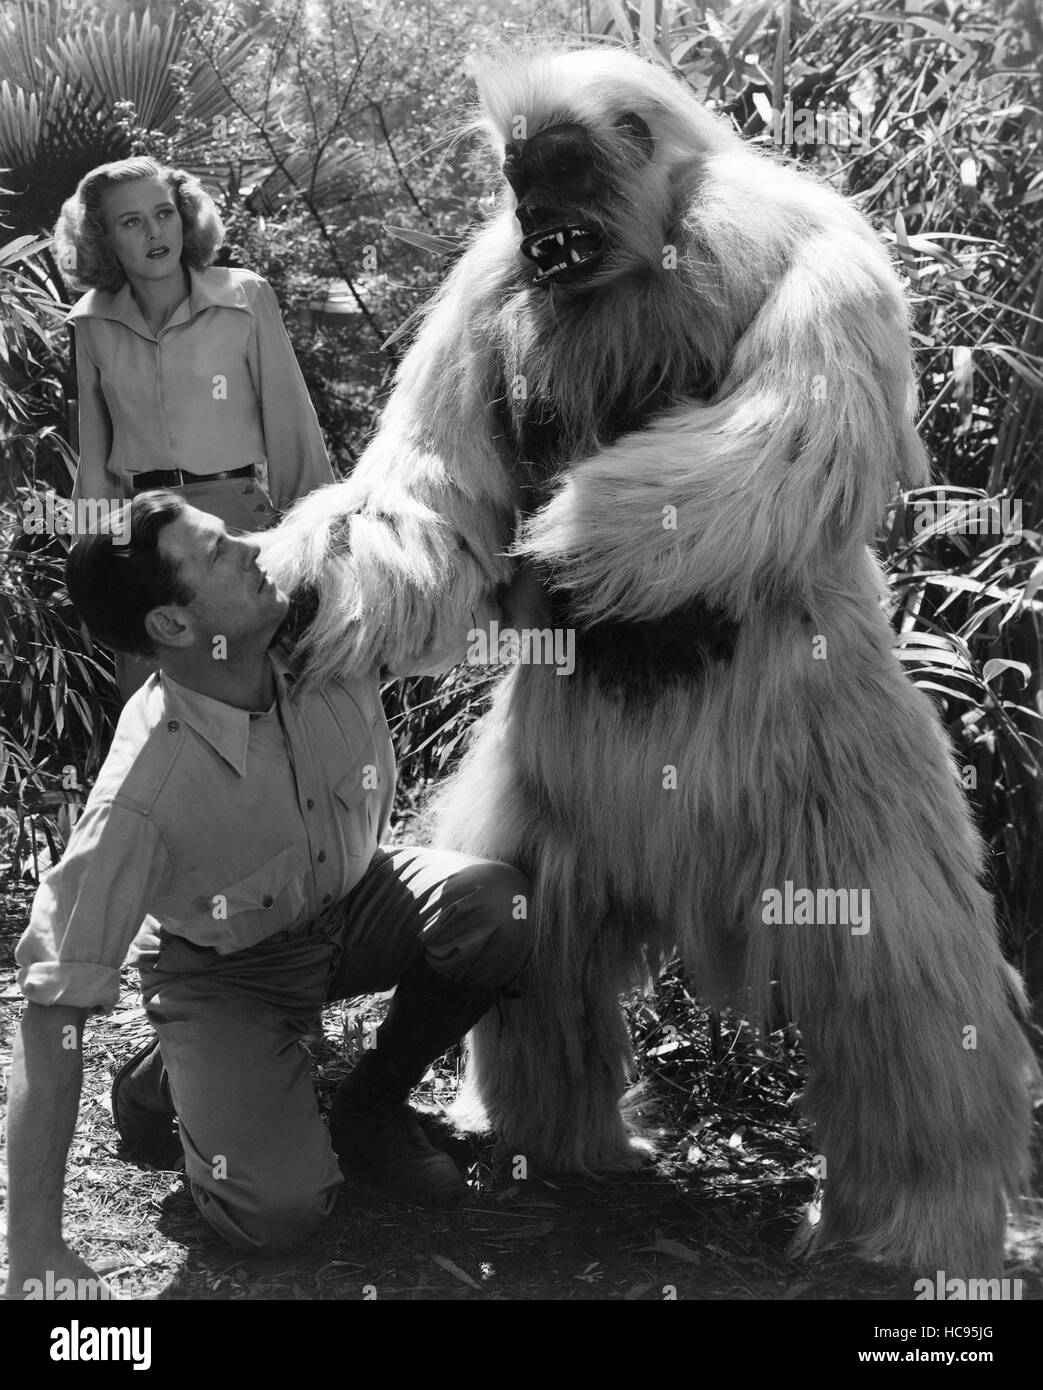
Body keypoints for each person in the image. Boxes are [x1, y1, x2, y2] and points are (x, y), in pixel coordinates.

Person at [5, 492, 530, 1299]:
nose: (255, 548)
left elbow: (472, 583)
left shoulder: (328, 631)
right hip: (229, 974)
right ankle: (167, 1077)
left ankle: (371, 1104)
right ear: (174, 627)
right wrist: (33, 1248)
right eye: (217, 553)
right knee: (276, 1217)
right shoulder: (141, 799)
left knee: (496, 906)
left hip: (356, 902)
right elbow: (51, 1011)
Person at [53, 157, 335, 694]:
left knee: (267, 690)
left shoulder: (244, 296)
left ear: (186, 217)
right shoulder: (91, 322)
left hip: (242, 526)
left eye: (164, 212)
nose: (155, 231)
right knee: (160, 702)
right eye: (131, 221)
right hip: (142, 540)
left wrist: (317, 545)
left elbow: (292, 423)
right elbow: (96, 456)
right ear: (102, 238)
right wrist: (93, 564)